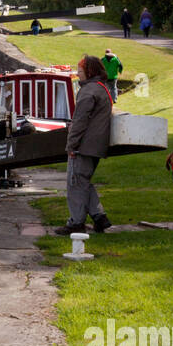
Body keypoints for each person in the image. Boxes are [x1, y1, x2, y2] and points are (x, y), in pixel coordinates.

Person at [56, 55, 114, 236]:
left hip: (84, 145)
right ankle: (99, 217)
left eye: (80, 71)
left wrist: (71, 145)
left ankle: (76, 222)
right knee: (83, 181)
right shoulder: (102, 89)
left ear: (89, 72)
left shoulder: (88, 91)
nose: (77, 74)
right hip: (97, 145)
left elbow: (79, 121)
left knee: (75, 183)